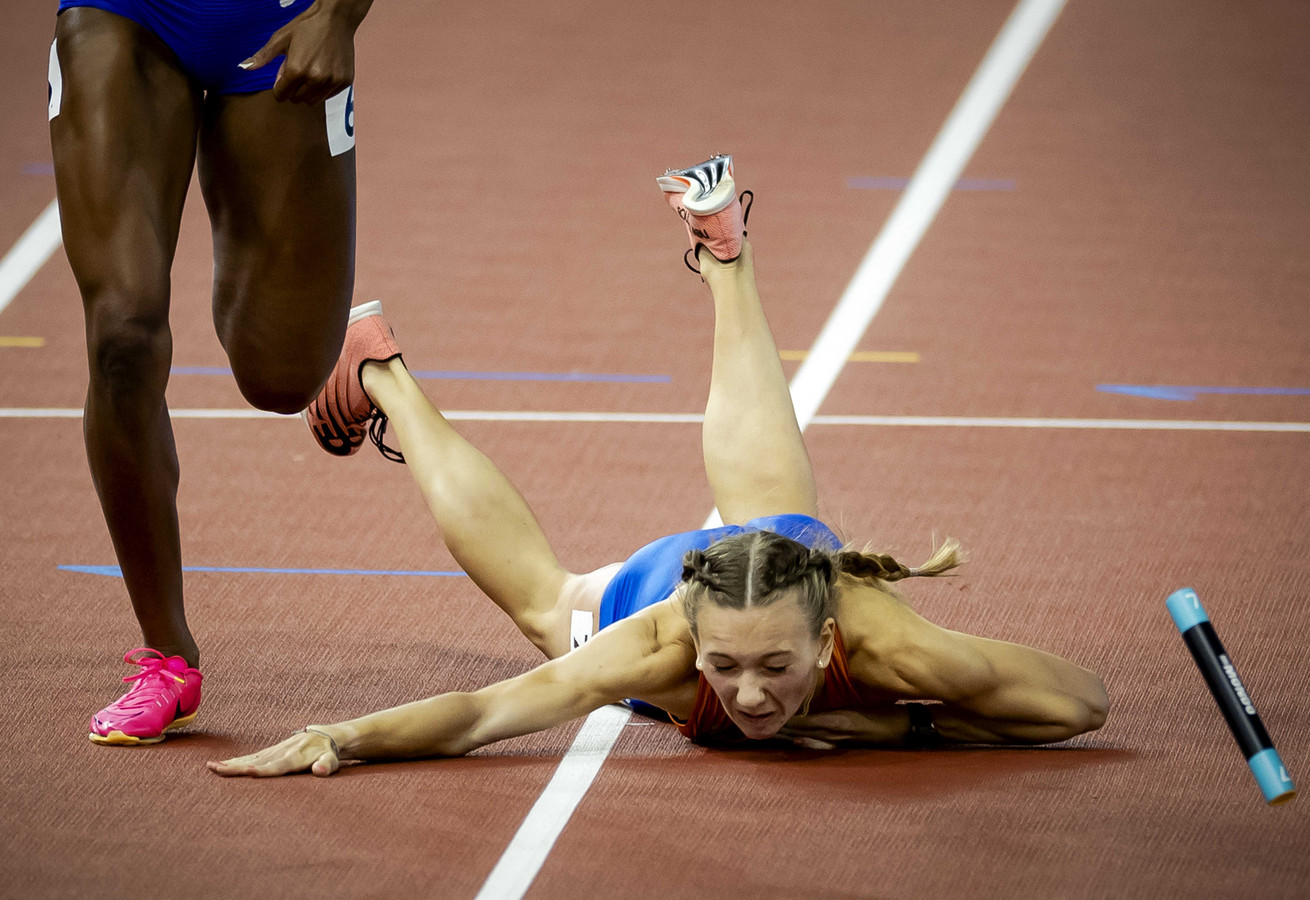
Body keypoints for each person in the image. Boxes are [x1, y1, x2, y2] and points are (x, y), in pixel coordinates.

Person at [209, 156, 1109, 777]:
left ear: (829, 641)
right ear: (692, 633)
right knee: (543, 606)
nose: (750, 696)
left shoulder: (882, 639)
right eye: (725, 665)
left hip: (786, 553)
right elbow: (487, 714)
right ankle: (381, 372)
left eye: (776, 669)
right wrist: (342, 735)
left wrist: (905, 723)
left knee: (778, 511)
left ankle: (725, 250)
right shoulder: (658, 640)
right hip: (650, 589)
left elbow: (1085, 702)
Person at [48, 0, 375, 745]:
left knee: (281, 376)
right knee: (122, 334)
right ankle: (166, 657)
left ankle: (355, 338)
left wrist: (343, 13)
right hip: (123, 15)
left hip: (277, 16)